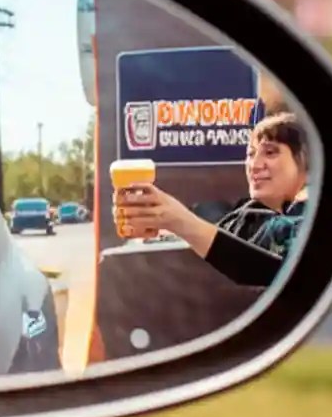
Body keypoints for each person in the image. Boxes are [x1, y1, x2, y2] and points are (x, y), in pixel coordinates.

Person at [114, 111, 309, 287]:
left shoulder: (313, 220)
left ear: (307, 162)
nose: (255, 165)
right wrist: (156, 224)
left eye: (270, 152)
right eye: (250, 154)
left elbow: (279, 272)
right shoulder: (248, 215)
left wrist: (179, 220)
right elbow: (222, 244)